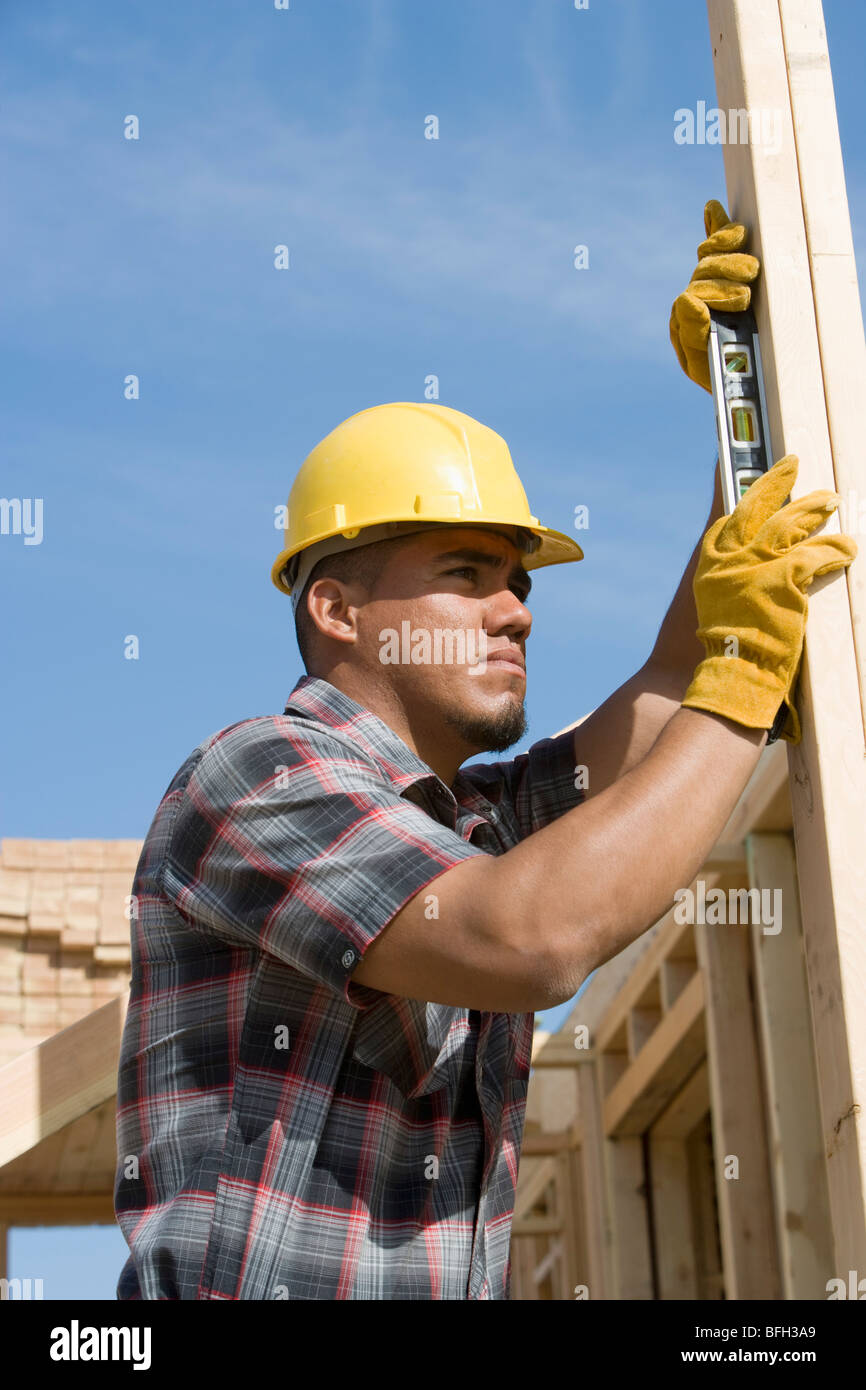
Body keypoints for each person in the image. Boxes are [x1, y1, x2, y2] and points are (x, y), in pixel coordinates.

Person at [114, 201, 856, 1300]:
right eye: (463, 574)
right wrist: (744, 682)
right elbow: (531, 934)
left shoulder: (475, 829)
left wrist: (741, 400)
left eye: (518, 580)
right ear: (336, 608)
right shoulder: (256, 775)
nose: (513, 610)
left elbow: (670, 687)